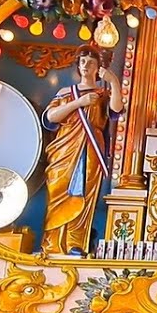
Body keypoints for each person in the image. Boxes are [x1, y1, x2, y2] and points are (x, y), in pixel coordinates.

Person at [40, 44, 125, 256]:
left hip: (91, 147)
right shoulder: (65, 93)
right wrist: (78, 102)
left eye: (91, 62)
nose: (86, 65)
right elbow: (51, 117)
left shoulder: (102, 93)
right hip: (65, 148)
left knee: (85, 195)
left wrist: (114, 81)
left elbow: (116, 109)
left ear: (98, 67)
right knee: (58, 191)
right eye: (83, 61)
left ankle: (75, 242)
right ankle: (52, 243)